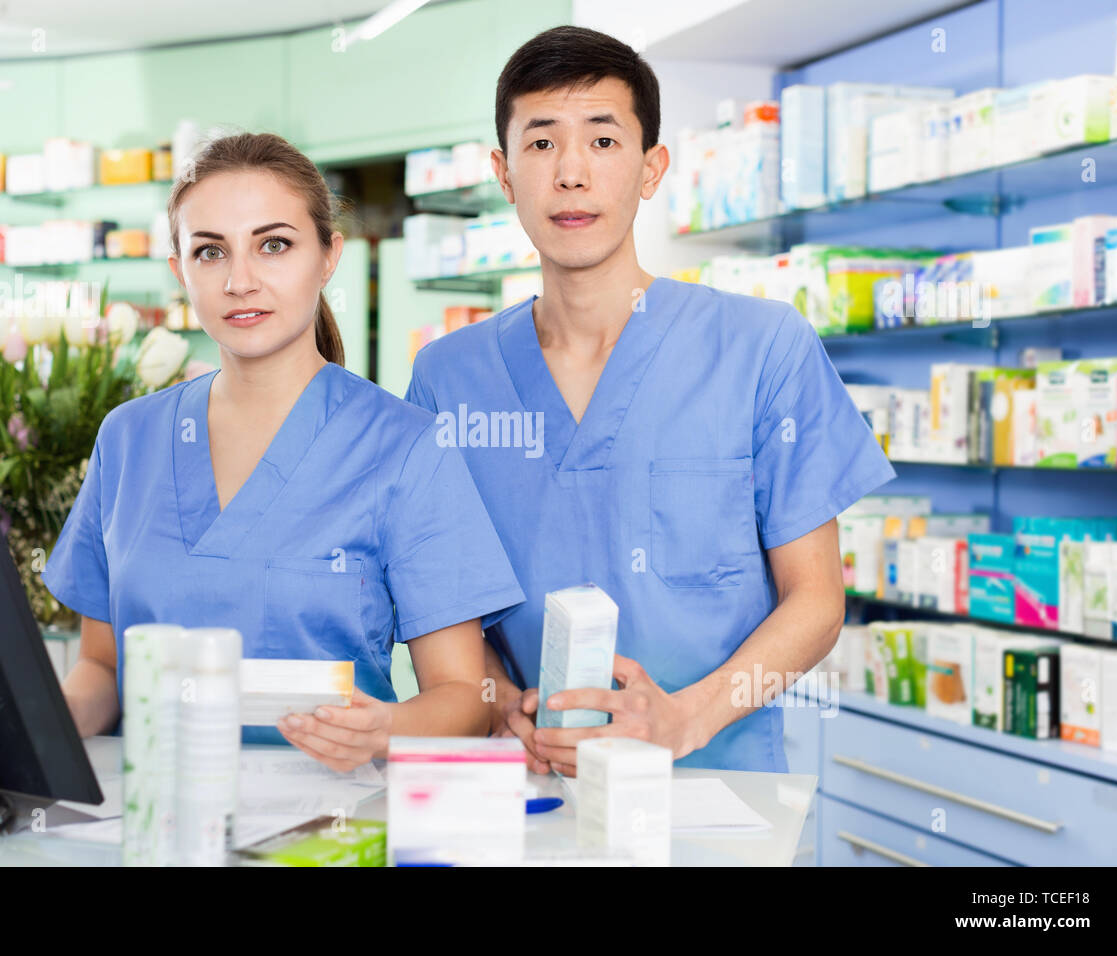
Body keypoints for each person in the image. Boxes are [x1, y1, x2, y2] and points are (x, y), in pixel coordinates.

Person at [405, 26, 896, 775]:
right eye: (541, 144)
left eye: (603, 141)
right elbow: (440, 604)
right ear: (504, 174)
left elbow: (817, 601)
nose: (571, 174)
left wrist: (682, 720)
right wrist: (499, 705)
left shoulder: (761, 347)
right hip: (526, 790)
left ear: (651, 168)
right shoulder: (450, 378)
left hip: (718, 792)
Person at [44, 132, 524, 772]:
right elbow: (102, 666)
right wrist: (40, 723)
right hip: (155, 818)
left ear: (328, 257)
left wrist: (384, 729)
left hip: (326, 824)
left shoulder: (406, 447)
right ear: (180, 269)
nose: (241, 280)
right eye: (210, 251)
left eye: (274, 245)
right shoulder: (129, 439)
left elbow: (464, 699)